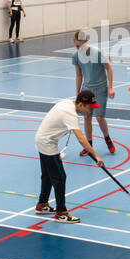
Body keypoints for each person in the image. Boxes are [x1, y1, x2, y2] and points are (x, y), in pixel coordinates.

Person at [35, 90, 104, 224]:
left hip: (42, 139)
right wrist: (96, 157)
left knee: (48, 175)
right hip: (47, 143)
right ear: (81, 104)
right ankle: (61, 213)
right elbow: (82, 140)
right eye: (90, 108)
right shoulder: (71, 114)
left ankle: (42, 205)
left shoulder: (67, 103)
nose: (90, 111)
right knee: (60, 177)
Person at [72, 29, 116, 156]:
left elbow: (109, 69)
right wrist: (77, 93)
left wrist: (110, 87)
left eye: (79, 44)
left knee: (99, 117)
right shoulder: (76, 56)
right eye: (76, 45)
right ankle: (89, 145)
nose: (77, 47)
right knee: (87, 117)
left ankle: (107, 139)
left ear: (85, 41)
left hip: (101, 88)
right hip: (87, 90)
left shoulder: (97, 52)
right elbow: (79, 75)